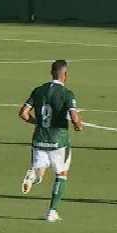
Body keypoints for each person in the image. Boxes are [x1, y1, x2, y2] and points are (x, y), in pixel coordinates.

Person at [18, 59, 83, 222]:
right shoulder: (67, 94)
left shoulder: (39, 90)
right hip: (58, 140)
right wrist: (78, 126)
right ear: (65, 74)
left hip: (39, 138)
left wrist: (36, 122)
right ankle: (52, 211)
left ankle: (33, 176)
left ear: (51, 73)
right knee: (61, 174)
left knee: (40, 169)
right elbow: (74, 117)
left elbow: (23, 113)